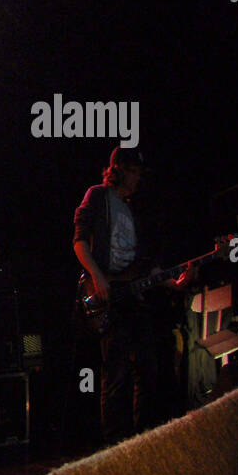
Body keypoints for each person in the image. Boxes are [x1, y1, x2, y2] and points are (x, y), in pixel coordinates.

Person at [73, 146, 190, 442]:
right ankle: (114, 447)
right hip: (108, 295)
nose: (139, 179)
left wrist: (171, 283)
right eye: (135, 172)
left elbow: (142, 268)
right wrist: (98, 278)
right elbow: (79, 242)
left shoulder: (133, 209)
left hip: (133, 299)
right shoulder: (98, 195)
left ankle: (140, 442)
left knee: (147, 370)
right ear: (121, 170)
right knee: (116, 375)